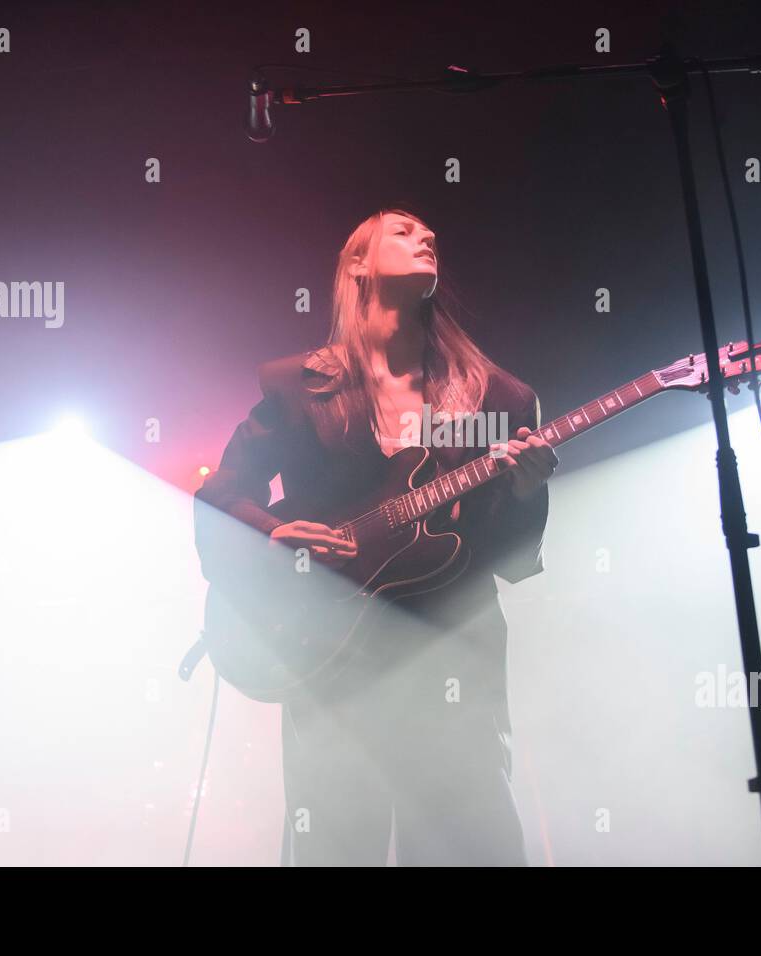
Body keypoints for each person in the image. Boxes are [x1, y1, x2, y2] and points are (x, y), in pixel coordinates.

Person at [194, 208, 557, 865]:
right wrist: (274, 536)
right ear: (357, 264)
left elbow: (511, 556)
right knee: (334, 845)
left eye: (431, 235)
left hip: (450, 658)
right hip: (330, 658)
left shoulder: (495, 398)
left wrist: (527, 492)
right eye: (404, 230)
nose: (428, 237)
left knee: (468, 847)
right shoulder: (301, 385)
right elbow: (220, 495)